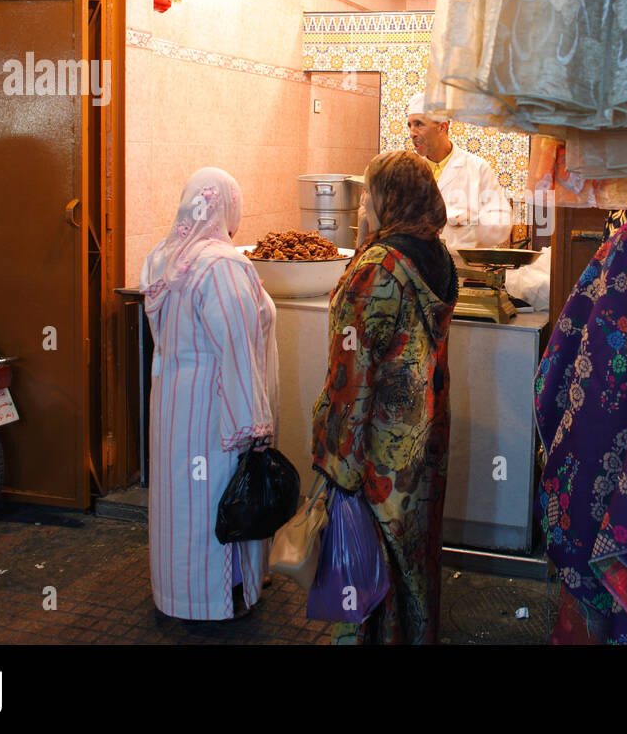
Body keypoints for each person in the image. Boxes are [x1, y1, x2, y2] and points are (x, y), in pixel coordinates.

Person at [312, 150, 459, 644]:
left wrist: (337, 456)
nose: (362, 207)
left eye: (368, 197)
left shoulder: (378, 267)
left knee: (369, 557)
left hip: (375, 443)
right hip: (424, 430)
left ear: (387, 199)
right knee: (413, 551)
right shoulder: (436, 255)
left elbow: (351, 373)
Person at [139, 167, 278, 622]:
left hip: (174, 408)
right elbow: (236, 350)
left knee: (180, 506)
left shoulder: (163, 256)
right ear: (228, 208)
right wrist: (253, 427)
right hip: (216, 415)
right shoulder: (222, 265)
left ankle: (176, 594)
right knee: (219, 506)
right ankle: (218, 600)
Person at [405, 92, 512, 250]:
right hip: (417, 267)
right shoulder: (407, 170)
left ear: (442, 126)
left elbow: (502, 224)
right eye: (410, 125)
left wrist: (473, 221)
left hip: (464, 269)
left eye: (419, 124)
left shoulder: (477, 168)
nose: (412, 133)